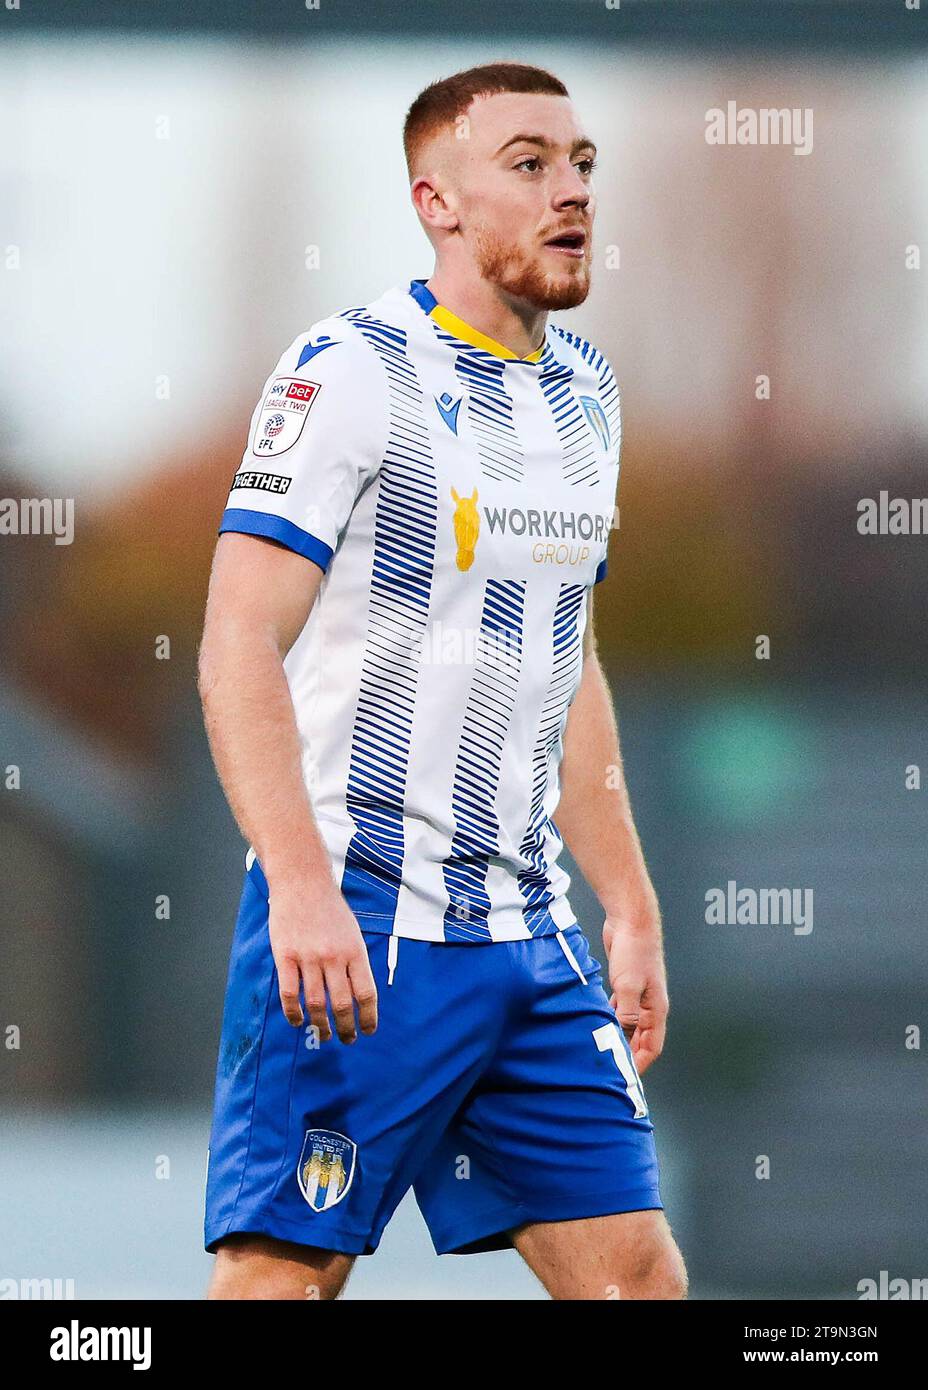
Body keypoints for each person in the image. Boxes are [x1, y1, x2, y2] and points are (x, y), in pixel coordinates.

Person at [199, 61, 687, 1301]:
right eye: (528, 165)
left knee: (637, 1281)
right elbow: (234, 641)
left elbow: (562, 656)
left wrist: (625, 897)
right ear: (439, 202)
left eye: (581, 164)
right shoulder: (348, 370)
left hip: (527, 934)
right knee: (281, 1280)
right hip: (361, 925)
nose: (570, 191)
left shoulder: (590, 393)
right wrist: (301, 887)